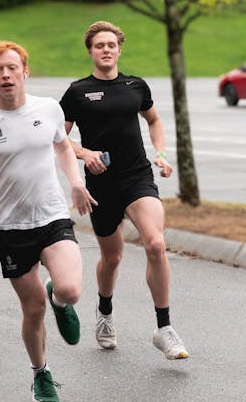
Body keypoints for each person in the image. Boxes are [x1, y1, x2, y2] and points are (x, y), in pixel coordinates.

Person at [0, 41, 95, 402]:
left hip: (51, 217)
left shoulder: (48, 108)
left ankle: (60, 299)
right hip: (10, 228)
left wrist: (77, 183)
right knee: (32, 309)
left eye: (12, 68)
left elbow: (63, 145)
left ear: (25, 71)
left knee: (70, 289)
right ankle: (41, 374)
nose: (6, 75)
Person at [59, 20, 189, 360]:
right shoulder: (77, 91)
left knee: (156, 243)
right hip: (101, 184)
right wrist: (85, 154)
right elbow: (59, 139)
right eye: (99, 45)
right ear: (90, 51)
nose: (106, 50)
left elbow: (154, 120)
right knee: (112, 257)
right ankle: (104, 312)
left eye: (111, 45)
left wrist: (160, 154)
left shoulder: (136, 86)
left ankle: (164, 328)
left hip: (137, 176)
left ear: (119, 49)